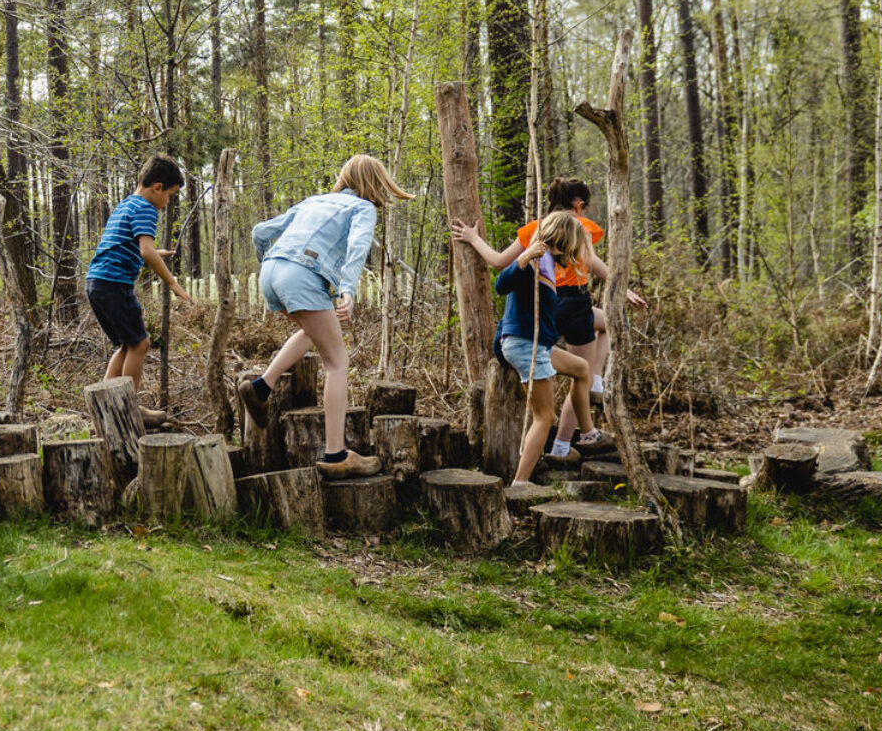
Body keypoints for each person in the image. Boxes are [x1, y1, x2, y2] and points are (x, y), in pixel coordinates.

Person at [238, 155, 414, 479]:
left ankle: (262, 386)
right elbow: (358, 247)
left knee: (313, 331)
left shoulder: (316, 199)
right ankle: (336, 455)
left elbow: (261, 232)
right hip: (301, 273)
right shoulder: (363, 208)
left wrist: (270, 262)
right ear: (375, 184)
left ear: (346, 176)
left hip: (271, 271)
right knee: (337, 362)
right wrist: (347, 289)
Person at [490, 177, 646, 459]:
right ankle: (566, 444)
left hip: (547, 304)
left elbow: (500, 262)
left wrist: (475, 239)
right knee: (581, 372)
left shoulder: (537, 229)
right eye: (585, 208)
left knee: (608, 323)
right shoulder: (575, 225)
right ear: (579, 205)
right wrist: (622, 289)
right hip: (573, 302)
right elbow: (589, 259)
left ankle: (591, 388)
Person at [451, 207, 592, 486]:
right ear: (565, 241)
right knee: (545, 417)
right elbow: (502, 285)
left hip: (536, 343)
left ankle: (588, 432)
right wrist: (524, 258)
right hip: (525, 345)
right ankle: (520, 482)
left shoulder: (549, 263)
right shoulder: (537, 259)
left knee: (582, 368)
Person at [86, 155, 199, 384]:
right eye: (169, 195)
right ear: (157, 188)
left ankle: (107, 406)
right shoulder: (147, 209)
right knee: (140, 344)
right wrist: (174, 285)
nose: (167, 201)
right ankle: (130, 408)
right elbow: (145, 251)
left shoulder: (126, 204)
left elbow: (127, 245)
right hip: (115, 283)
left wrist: (157, 253)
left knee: (128, 345)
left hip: (96, 282)